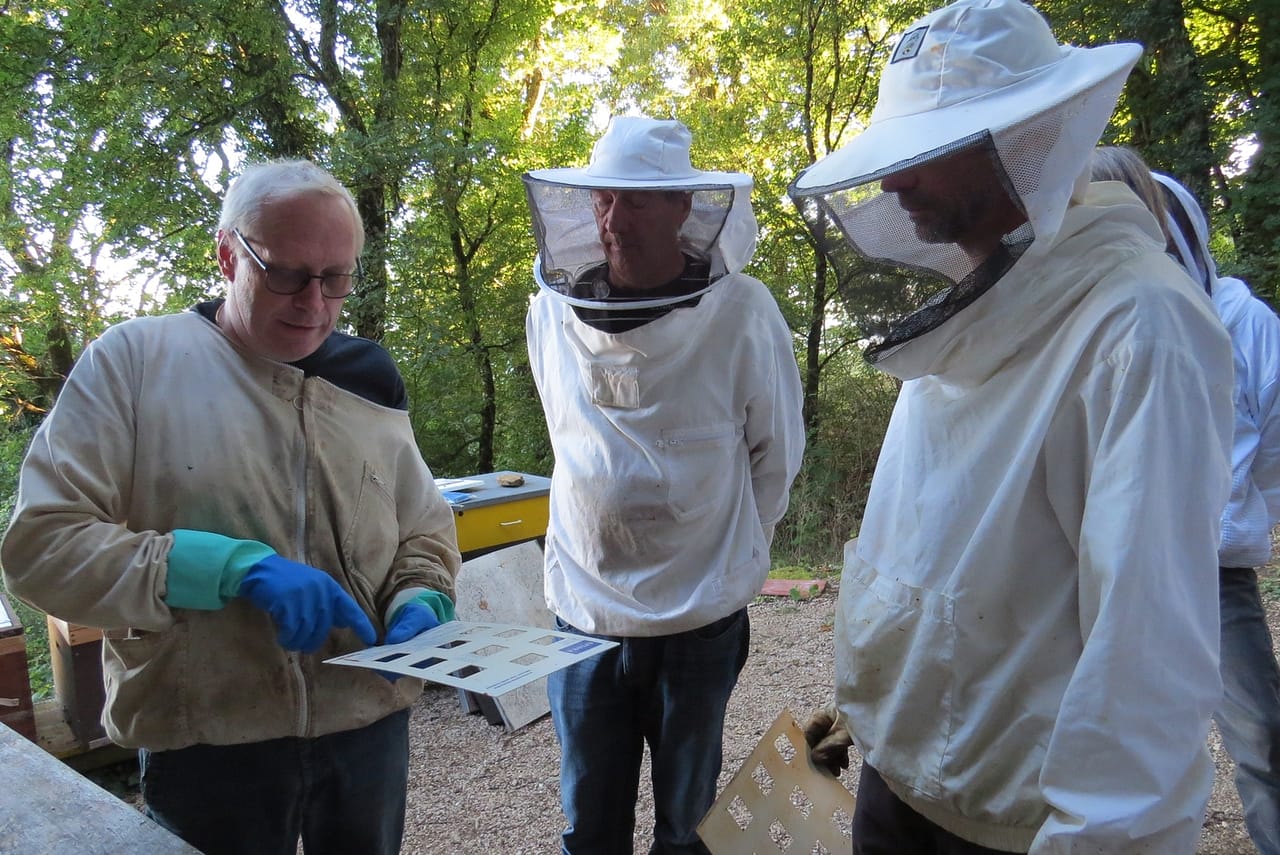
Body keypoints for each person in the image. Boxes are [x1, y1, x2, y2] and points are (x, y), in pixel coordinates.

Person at [787, 1, 1235, 852]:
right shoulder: (975, 305)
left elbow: (1148, 651)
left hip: (1010, 826)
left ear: (1029, 138)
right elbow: (929, 545)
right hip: (899, 783)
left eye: (928, 149)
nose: (893, 183)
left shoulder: (1141, 328)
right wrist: (875, 706)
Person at [1, 159, 462, 855]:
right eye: (287, 274)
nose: (314, 302)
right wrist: (230, 569)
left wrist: (421, 595)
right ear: (227, 255)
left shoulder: (369, 377)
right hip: (207, 738)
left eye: (336, 277)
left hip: (368, 724)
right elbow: (41, 549)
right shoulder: (135, 361)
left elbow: (423, 529)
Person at [521, 115, 805, 854]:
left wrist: (728, 554)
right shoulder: (549, 312)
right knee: (589, 825)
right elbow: (567, 434)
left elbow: (776, 454)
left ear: (684, 206)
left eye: (638, 201)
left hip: (698, 620)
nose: (614, 220)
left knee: (687, 825)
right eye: (604, 200)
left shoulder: (743, 312)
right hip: (584, 611)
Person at [1092, 145, 1280, 855]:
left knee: (1261, 731)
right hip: (1113, 566)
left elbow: (1274, 445)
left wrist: (1230, 517)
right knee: (1108, 736)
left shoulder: (1244, 321)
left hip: (1212, 570)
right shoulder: (1096, 317)